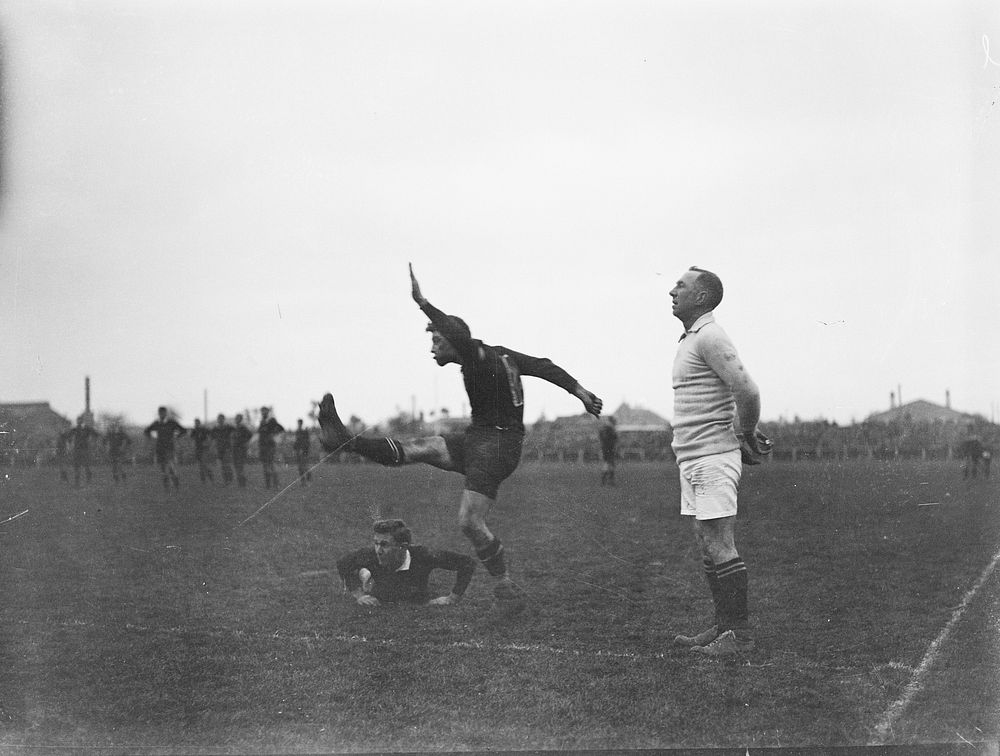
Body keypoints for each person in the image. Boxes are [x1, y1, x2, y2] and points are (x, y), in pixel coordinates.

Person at [319, 264, 602, 612]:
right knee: (420, 447)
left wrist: (424, 303)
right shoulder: (501, 355)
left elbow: (464, 338)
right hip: (478, 439)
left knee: (469, 522)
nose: (433, 347)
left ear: (455, 340)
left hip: (498, 446)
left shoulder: (476, 356)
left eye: (437, 340)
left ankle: (504, 586)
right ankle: (342, 439)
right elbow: (543, 365)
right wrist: (581, 391)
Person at [668, 266, 768, 658]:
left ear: (703, 297)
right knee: (707, 545)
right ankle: (725, 626)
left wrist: (746, 433)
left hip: (712, 456)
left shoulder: (710, 336)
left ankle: (740, 637)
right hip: (692, 457)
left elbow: (747, 388)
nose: (671, 290)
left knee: (719, 543)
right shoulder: (692, 337)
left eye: (680, 285)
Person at [337, 519, 475, 606]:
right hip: (377, 583)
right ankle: (365, 575)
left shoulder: (423, 555)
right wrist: (359, 595)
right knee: (370, 581)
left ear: (402, 546)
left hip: (404, 583)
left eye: (384, 544)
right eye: (376, 543)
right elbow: (343, 563)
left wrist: (453, 598)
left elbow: (467, 563)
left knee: (411, 595)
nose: (378, 550)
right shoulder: (371, 554)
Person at [144, 407, 187, 491]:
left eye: (163, 413)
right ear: (159, 413)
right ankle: (167, 485)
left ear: (166, 413)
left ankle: (174, 480)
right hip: (160, 447)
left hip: (170, 447)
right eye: (160, 413)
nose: (161, 414)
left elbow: (183, 430)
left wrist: (176, 437)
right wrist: (151, 437)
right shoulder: (156, 423)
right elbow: (146, 431)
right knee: (163, 467)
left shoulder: (172, 423)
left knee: (170, 464)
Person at [257, 407, 285, 489]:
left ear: (267, 412)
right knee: (265, 466)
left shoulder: (272, 420)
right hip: (262, 446)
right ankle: (268, 485)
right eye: (262, 411)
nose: (263, 413)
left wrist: (273, 435)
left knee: (271, 465)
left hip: (270, 446)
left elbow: (281, 428)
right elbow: (260, 432)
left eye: (264, 411)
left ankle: (276, 484)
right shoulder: (262, 421)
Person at [67, 416, 100, 487]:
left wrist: (93, 442)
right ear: (77, 421)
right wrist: (70, 444)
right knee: (77, 466)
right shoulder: (74, 429)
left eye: (80, 420)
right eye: (78, 420)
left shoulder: (87, 428)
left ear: (83, 421)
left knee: (86, 466)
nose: (79, 422)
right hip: (77, 450)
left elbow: (96, 435)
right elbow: (68, 437)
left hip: (85, 450)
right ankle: (77, 482)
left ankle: (89, 481)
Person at [211, 414, 235, 485]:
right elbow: (212, 438)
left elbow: (235, 432)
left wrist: (232, 439)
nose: (220, 420)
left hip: (227, 448)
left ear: (224, 419)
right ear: (217, 420)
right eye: (219, 419)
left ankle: (230, 478)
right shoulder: (215, 428)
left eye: (221, 419)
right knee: (222, 466)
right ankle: (226, 480)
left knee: (226, 464)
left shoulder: (228, 427)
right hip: (219, 448)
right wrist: (213, 446)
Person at [231, 413, 253, 488]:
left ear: (240, 419)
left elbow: (250, 435)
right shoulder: (235, 428)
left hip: (240, 449)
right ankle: (240, 483)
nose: (236, 419)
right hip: (235, 449)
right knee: (236, 466)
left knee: (240, 466)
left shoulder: (243, 428)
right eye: (236, 418)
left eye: (238, 418)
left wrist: (245, 442)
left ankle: (242, 483)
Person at [190, 418, 214, 484]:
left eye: (197, 423)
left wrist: (208, 443)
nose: (196, 424)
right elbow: (191, 438)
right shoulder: (194, 430)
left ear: (199, 423)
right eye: (195, 423)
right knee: (200, 466)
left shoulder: (204, 429)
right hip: (198, 449)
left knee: (204, 464)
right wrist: (193, 446)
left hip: (204, 449)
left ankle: (210, 477)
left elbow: (211, 434)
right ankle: (203, 480)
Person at [598, 415, 619, 486]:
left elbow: (601, 437)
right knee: (611, 463)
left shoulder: (603, 428)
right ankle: (610, 480)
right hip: (610, 448)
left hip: (604, 447)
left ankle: (604, 480)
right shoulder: (611, 429)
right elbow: (615, 438)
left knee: (606, 463)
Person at [293, 418, 312, 486]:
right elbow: (296, 442)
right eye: (298, 423)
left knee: (305, 466)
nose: (298, 424)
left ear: (301, 423)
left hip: (304, 451)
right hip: (298, 451)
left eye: (299, 423)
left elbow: (306, 442)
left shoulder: (304, 432)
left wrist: (303, 449)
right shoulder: (297, 432)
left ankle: (309, 481)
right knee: (300, 467)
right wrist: (295, 449)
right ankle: (303, 482)